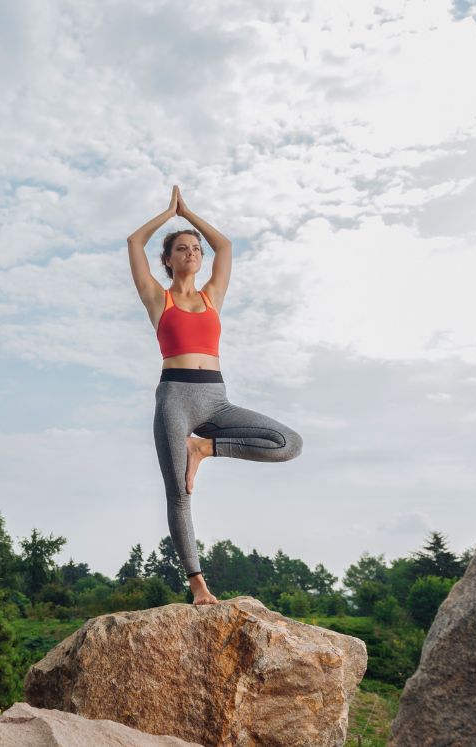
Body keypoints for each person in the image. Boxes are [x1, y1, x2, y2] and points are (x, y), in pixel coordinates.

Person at [127, 185, 303, 606]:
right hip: (175, 399)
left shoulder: (212, 296)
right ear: (167, 259)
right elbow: (134, 242)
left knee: (289, 443)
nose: (193, 252)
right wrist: (167, 213)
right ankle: (198, 586)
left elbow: (225, 245)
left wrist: (189, 212)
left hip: (216, 400)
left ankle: (205, 447)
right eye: (182, 248)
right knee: (179, 493)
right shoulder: (159, 297)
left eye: (196, 249)